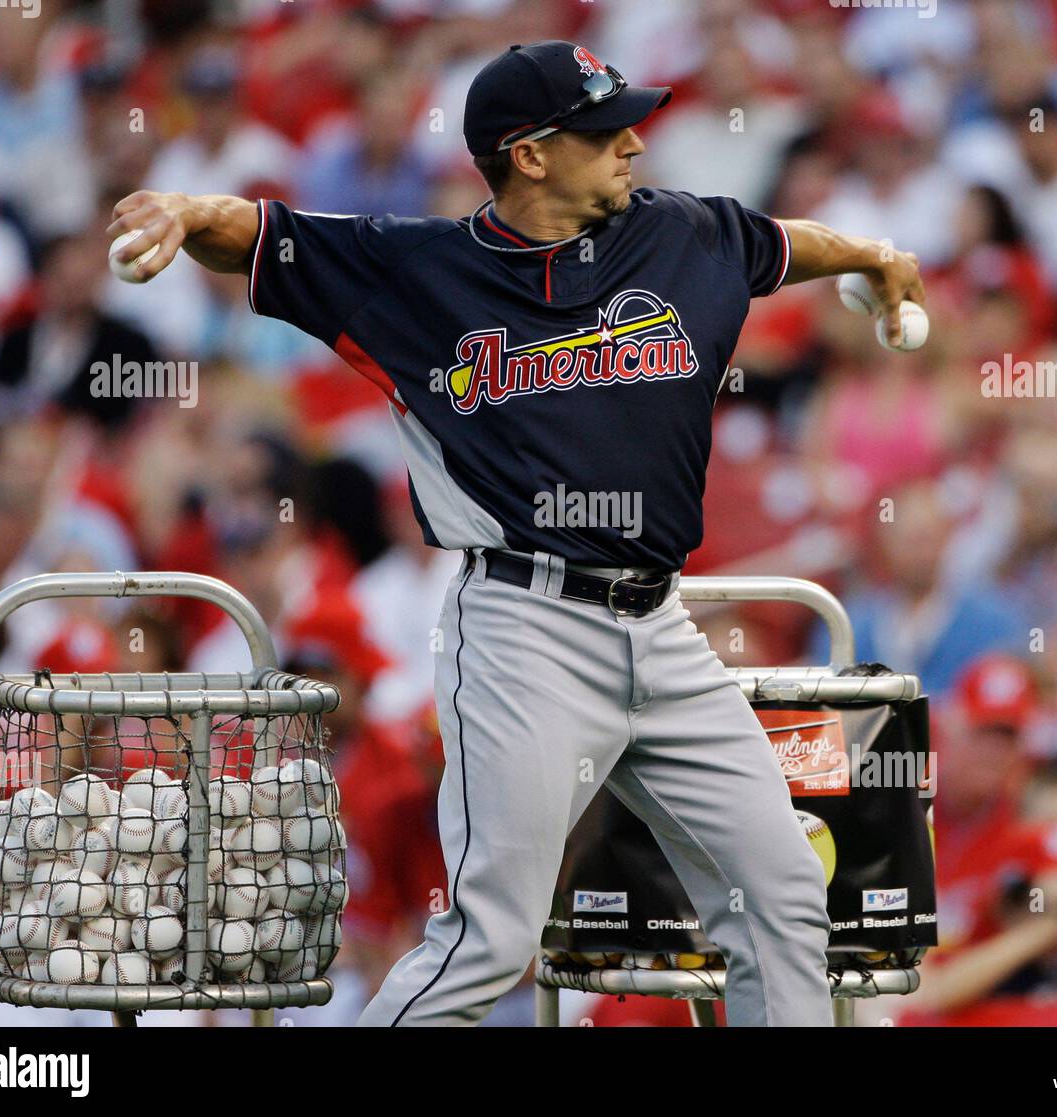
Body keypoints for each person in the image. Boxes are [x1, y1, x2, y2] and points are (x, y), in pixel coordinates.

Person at [106, 40, 925, 1028]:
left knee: (783, 895)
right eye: (600, 129)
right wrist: (184, 211)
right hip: (525, 632)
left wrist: (876, 257)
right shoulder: (417, 271)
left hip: (663, 629)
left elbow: (788, 243)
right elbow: (259, 234)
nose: (630, 141)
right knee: (489, 940)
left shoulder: (685, 235)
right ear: (529, 154)